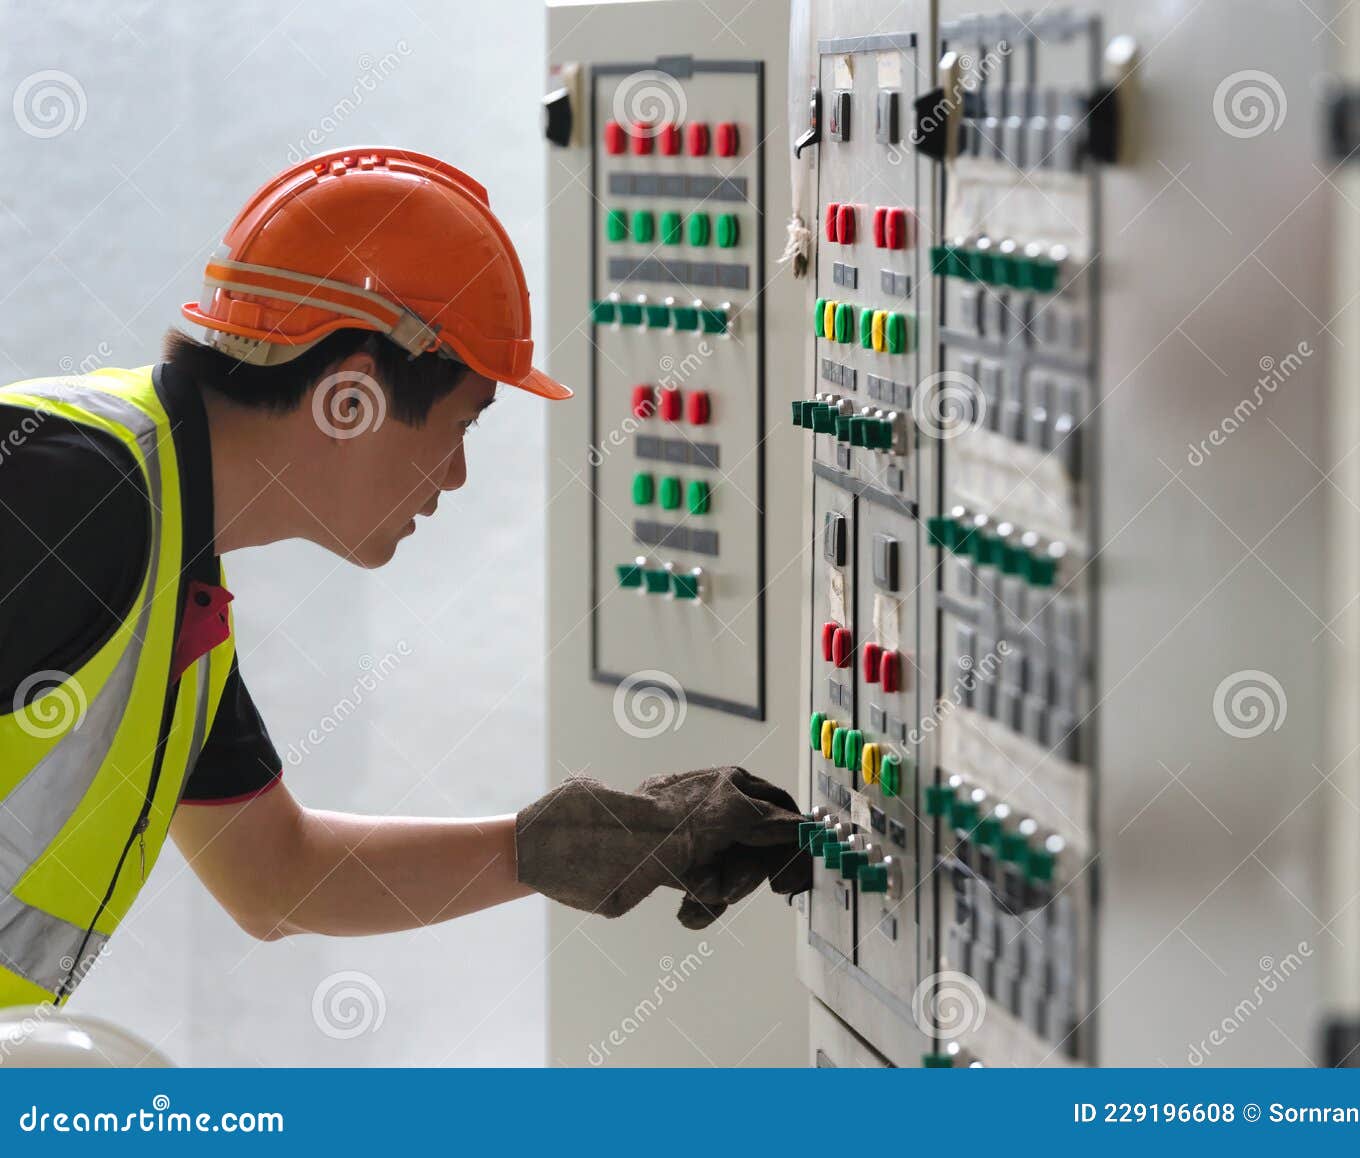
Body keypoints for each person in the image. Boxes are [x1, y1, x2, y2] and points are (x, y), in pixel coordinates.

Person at [0, 146, 808, 1009]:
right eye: (460, 425)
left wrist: (559, 845)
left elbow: (278, 879)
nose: (454, 476)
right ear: (353, 397)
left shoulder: (173, 576)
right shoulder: (66, 489)